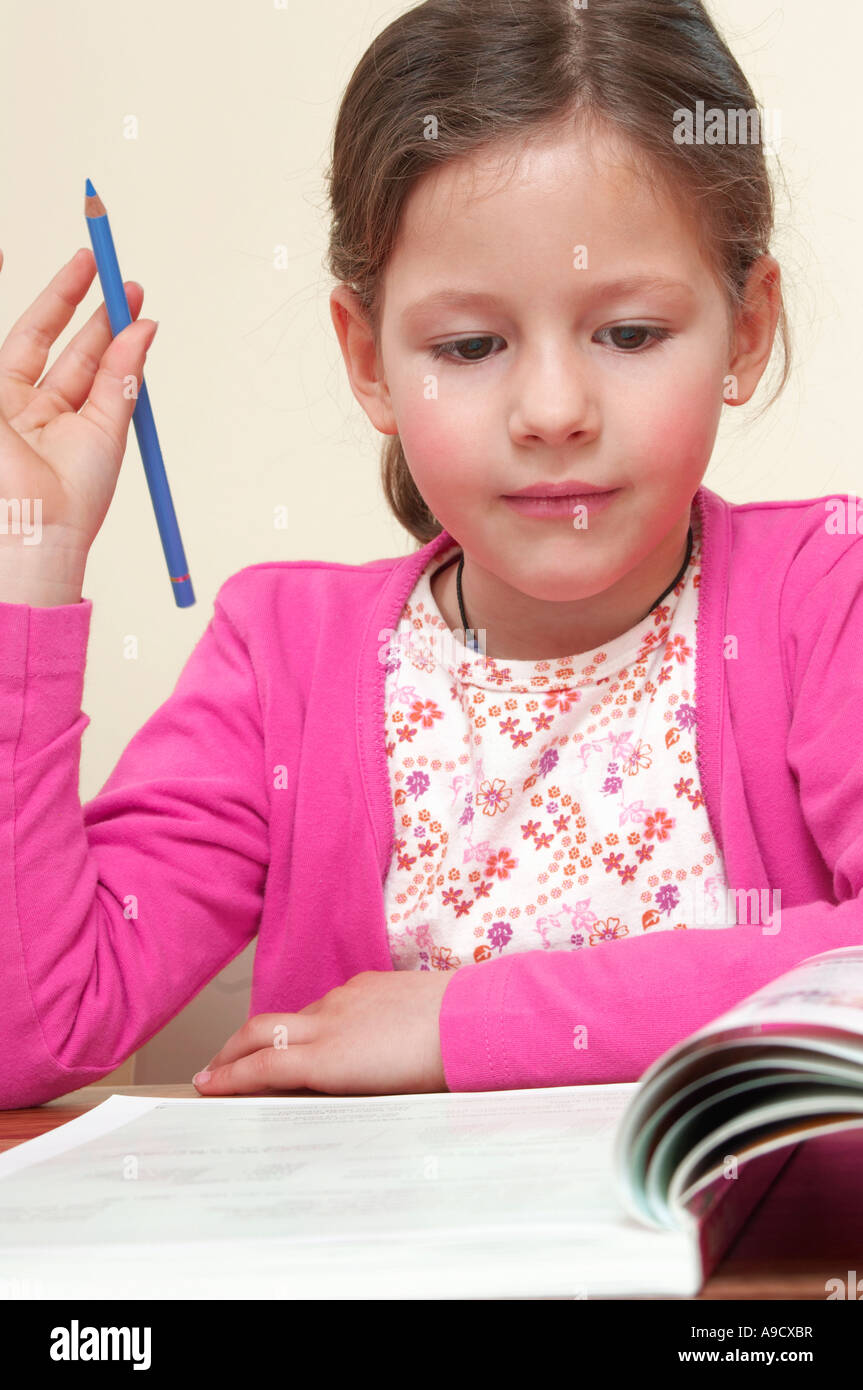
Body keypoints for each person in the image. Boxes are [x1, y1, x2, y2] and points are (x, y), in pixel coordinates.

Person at [1, 0, 861, 1109]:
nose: (552, 410)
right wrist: (30, 568)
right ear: (367, 361)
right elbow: (34, 1032)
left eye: (629, 334)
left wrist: (462, 1022)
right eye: (468, 345)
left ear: (744, 328)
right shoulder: (281, 660)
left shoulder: (824, 592)